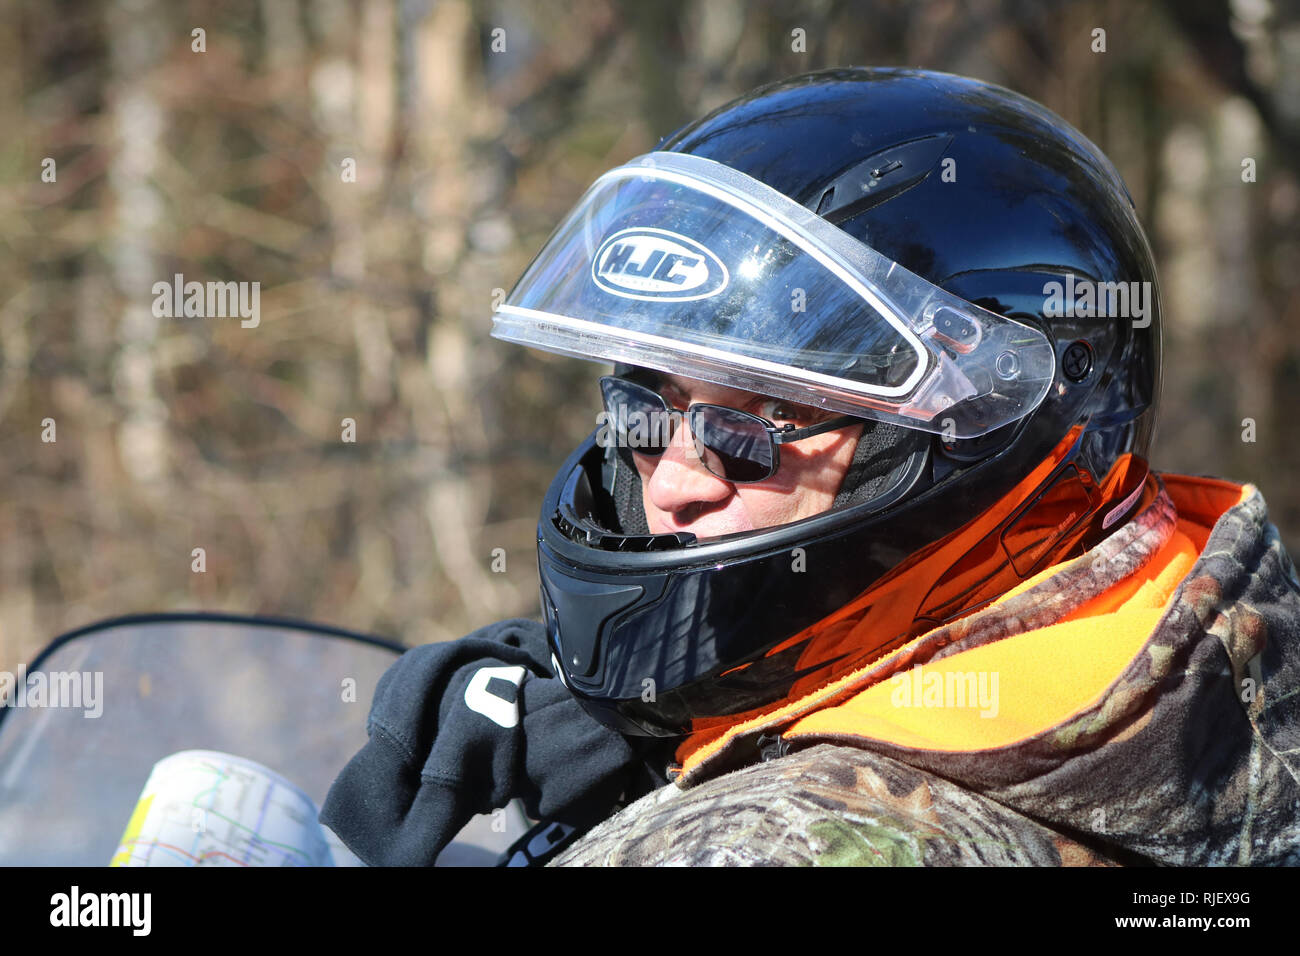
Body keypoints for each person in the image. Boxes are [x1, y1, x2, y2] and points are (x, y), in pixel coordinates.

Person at [320, 67, 1300, 866]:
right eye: (646, 410)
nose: (673, 480)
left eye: (769, 419)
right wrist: (694, 734)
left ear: (990, 425)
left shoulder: (777, 845)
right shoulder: (1234, 666)